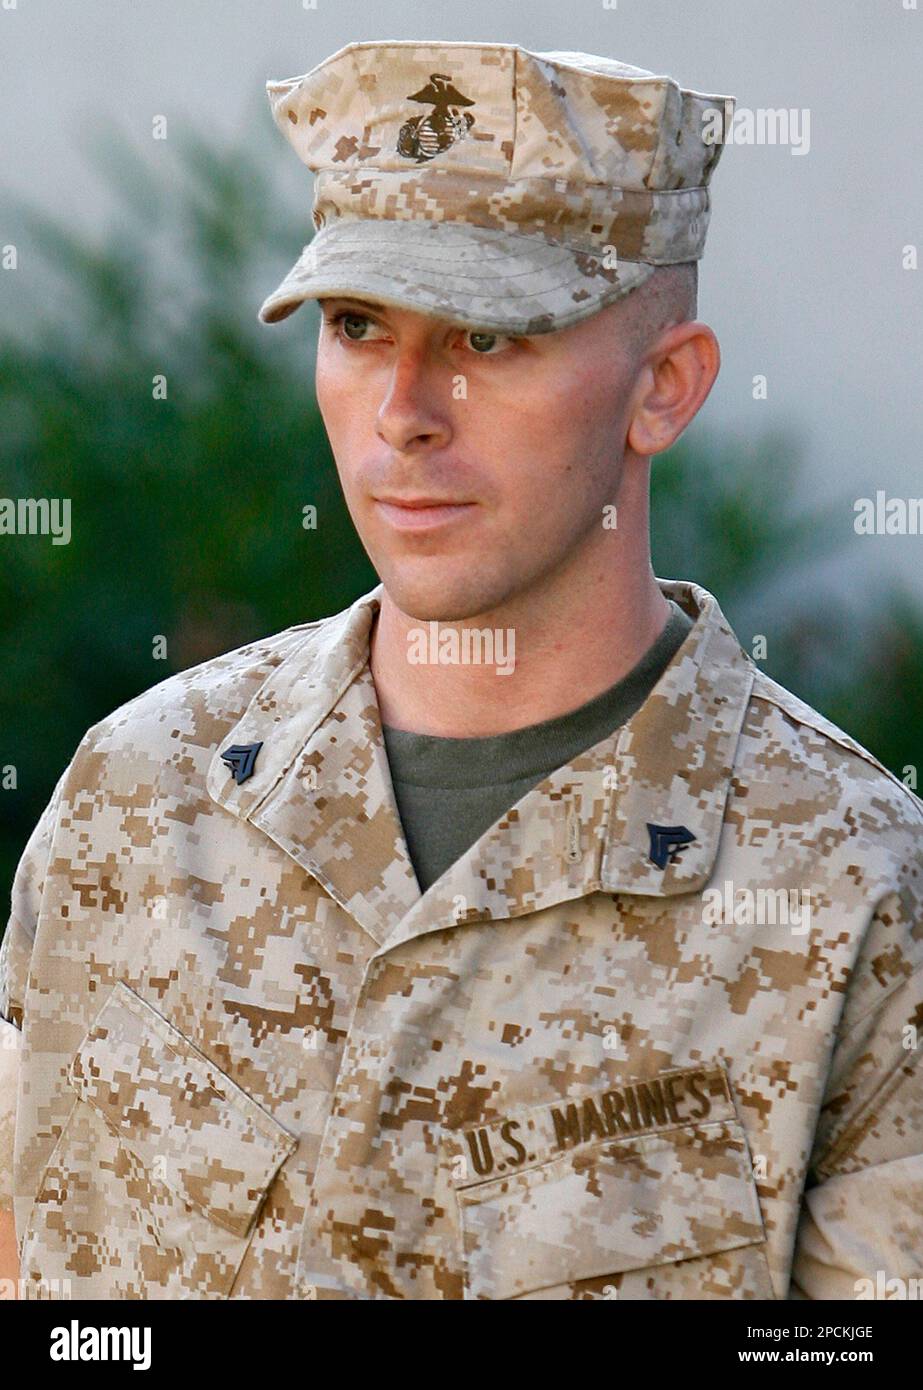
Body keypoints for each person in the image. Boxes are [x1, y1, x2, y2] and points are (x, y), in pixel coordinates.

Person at [1, 38, 921, 1302]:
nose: (403, 410)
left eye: (488, 338)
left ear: (662, 390)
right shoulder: (139, 797)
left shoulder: (850, 885)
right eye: (358, 326)